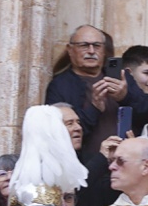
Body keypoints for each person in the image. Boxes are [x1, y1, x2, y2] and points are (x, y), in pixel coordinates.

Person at [46, 26, 130, 157]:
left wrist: (125, 97)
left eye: (97, 46)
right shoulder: (59, 85)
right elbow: (59, 134)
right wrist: (94, 108)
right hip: (87, 167)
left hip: (125, 162)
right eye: (84, 45)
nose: (91, 51)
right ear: (70, 50)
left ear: (104, 50)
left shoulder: (121, 77)